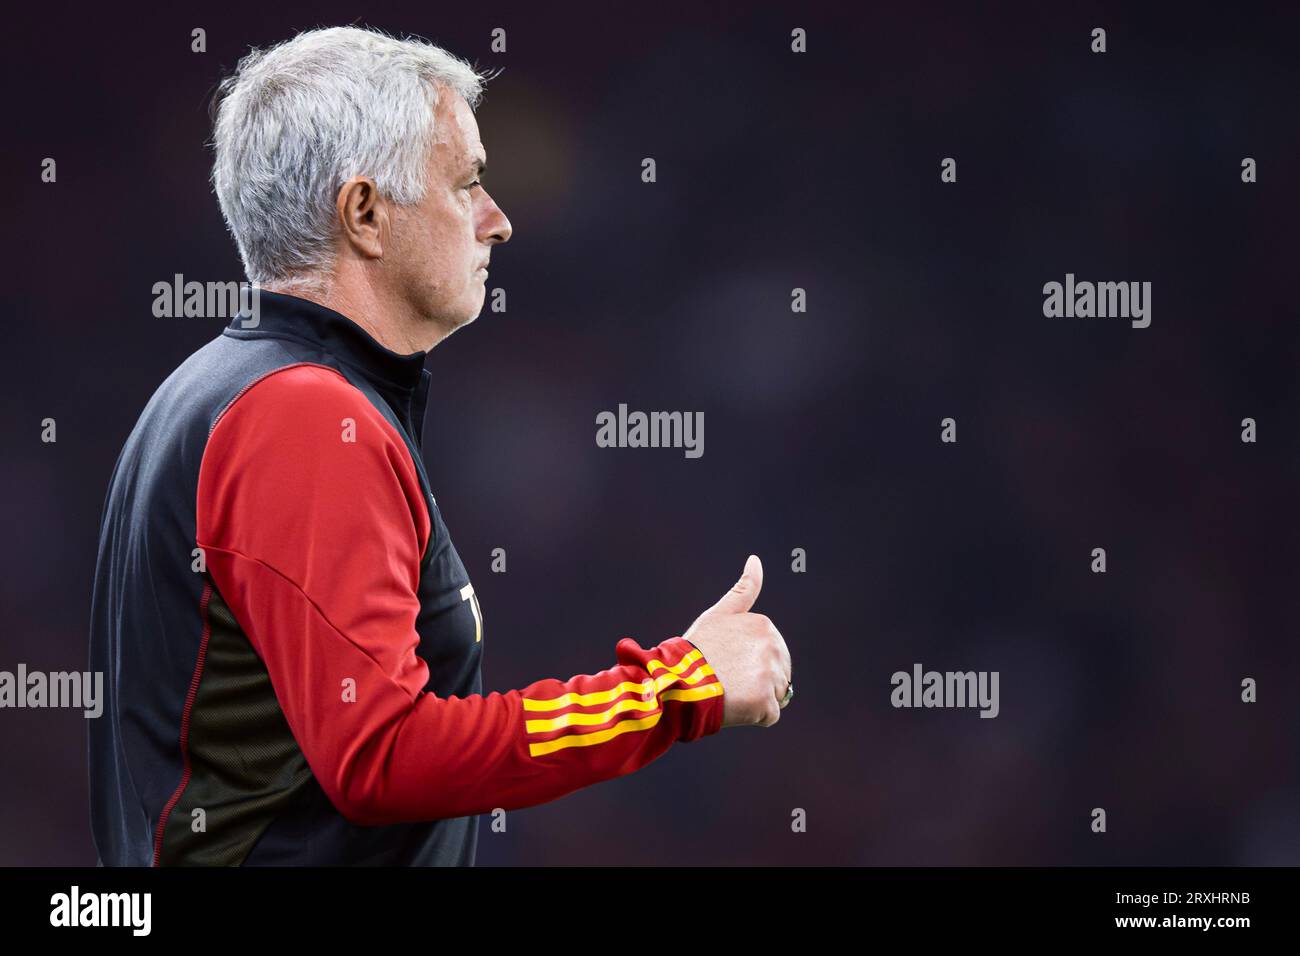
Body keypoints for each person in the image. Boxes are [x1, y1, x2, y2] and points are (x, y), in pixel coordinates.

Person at [88, 25, 792, 866]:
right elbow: (385, 758)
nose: (497, 221)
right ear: (365, 214)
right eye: (467, 184)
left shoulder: (214, 392)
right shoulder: (300, 416)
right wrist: (679, 689)